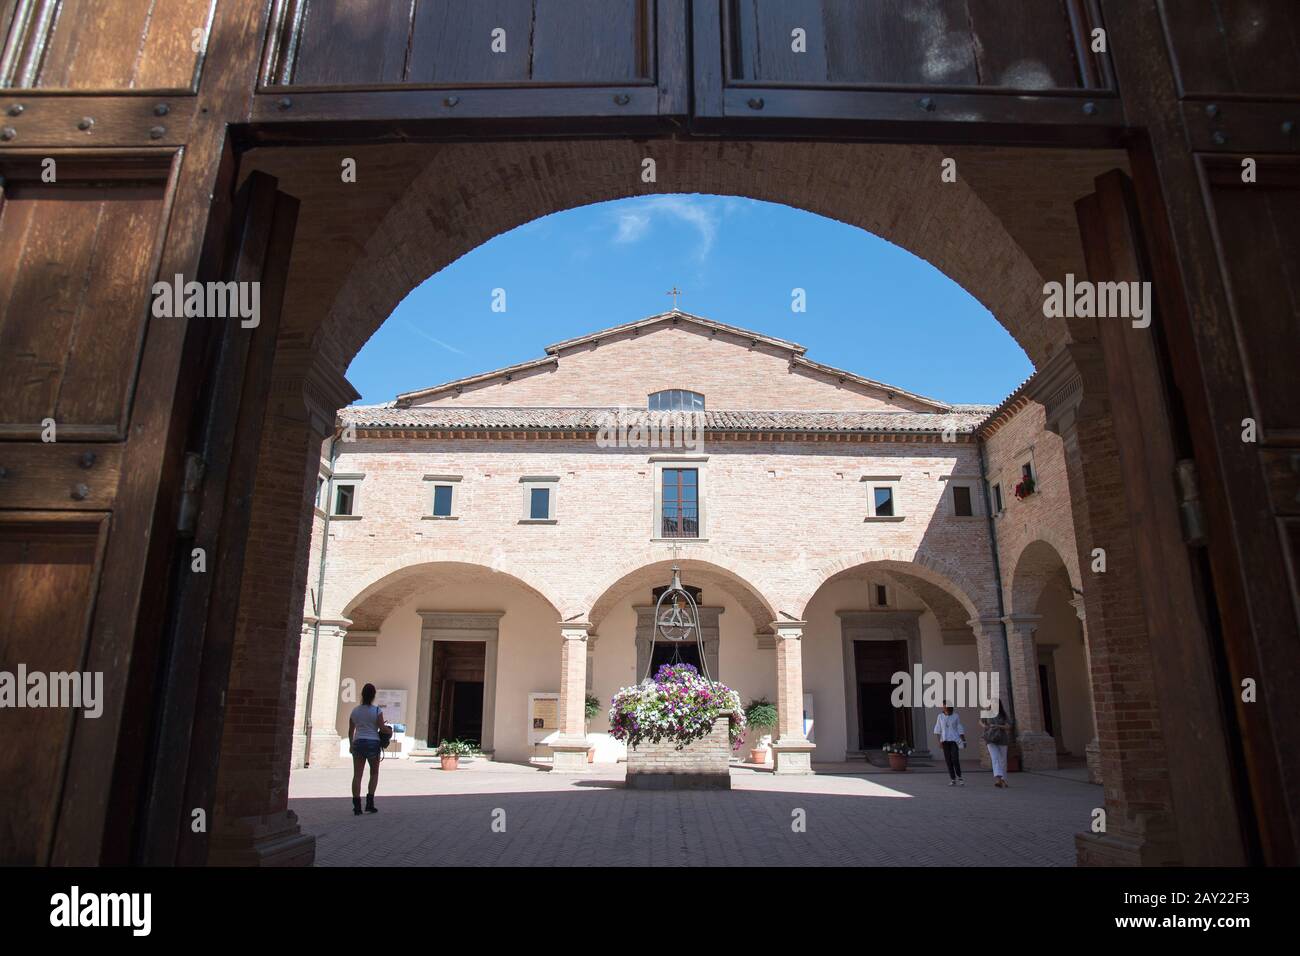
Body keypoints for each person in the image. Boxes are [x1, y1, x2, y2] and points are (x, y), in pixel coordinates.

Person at [348, 683, 386, 815]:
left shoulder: (355, 711)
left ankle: (357, 806)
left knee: (357, 775)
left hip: (358, 742)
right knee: (374, 773)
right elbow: (382, 727)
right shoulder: (377, 711)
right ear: (373, 695)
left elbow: (351, 730)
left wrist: (351, 744)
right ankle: (370, 803)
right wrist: (389, 731)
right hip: (372, 743)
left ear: (362, 695)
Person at [981, 701, 1013, 788]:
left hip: (1002, 738)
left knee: (1003, 760)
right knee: (995, 758)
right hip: (990, 738)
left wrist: (998, 726)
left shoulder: (1003, 714)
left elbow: (1009, 726)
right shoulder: (987, 712)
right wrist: (984, 726)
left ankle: (1003, 780)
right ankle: (998, 780)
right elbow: (981, 722)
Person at [933, 702, 966, 786]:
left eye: (947, 706)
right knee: (948, 760)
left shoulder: (955, 716)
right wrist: (939, 741)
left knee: (955, 759)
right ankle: (953, 779)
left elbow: (959, 727)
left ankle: (960, 777)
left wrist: (963, 740)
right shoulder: (940, 716)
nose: (945, 708)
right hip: (945, 741)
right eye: (944, 706)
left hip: (954, 741)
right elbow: (937, 729)